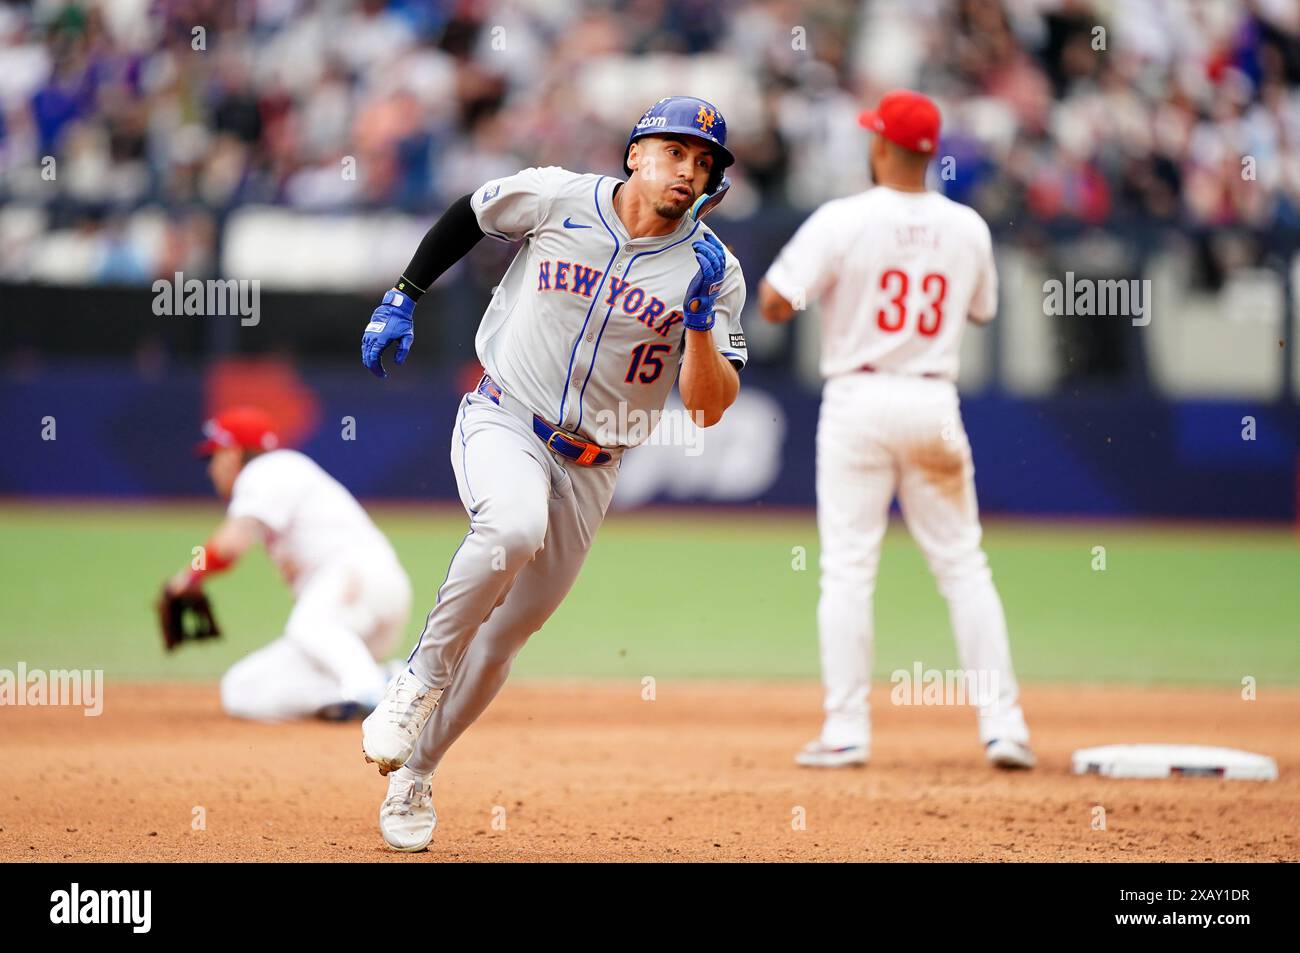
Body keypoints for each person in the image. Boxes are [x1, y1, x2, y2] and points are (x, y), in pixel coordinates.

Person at [356, 96, 748, 851]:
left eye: (704, 162)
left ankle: (417, 773)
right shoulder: (559, 196)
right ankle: (414, 683)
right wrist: (404, 293)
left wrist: (699, 322)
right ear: (635, 153)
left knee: (506, 636)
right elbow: (470, 212)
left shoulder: (714, 270)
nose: (688, 170)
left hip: (596, 464)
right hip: (505, 414)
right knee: (510, 526)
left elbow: (707, 407)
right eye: (675, 151)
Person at [758, 90, 1035, 771]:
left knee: (848, 569)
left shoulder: (843, 218)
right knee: (965, 567)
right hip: (932, 398)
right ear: (931, 152)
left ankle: (847, 729)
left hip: (858, 396)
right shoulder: (968, 226)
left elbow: (773, 304)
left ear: (880, 146)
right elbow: (980, 311)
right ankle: (1004, 727)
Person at [164, 405, 411, 722]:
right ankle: (385, 683)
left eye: (213, 457)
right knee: (242, 690)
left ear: (232, 454)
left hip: (359, 582)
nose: (211, 469)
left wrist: (188, 578)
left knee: (307, 624)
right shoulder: (282, 474)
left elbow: (230, 544)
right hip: (348, 620)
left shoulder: (268, 469)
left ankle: (369, 689)